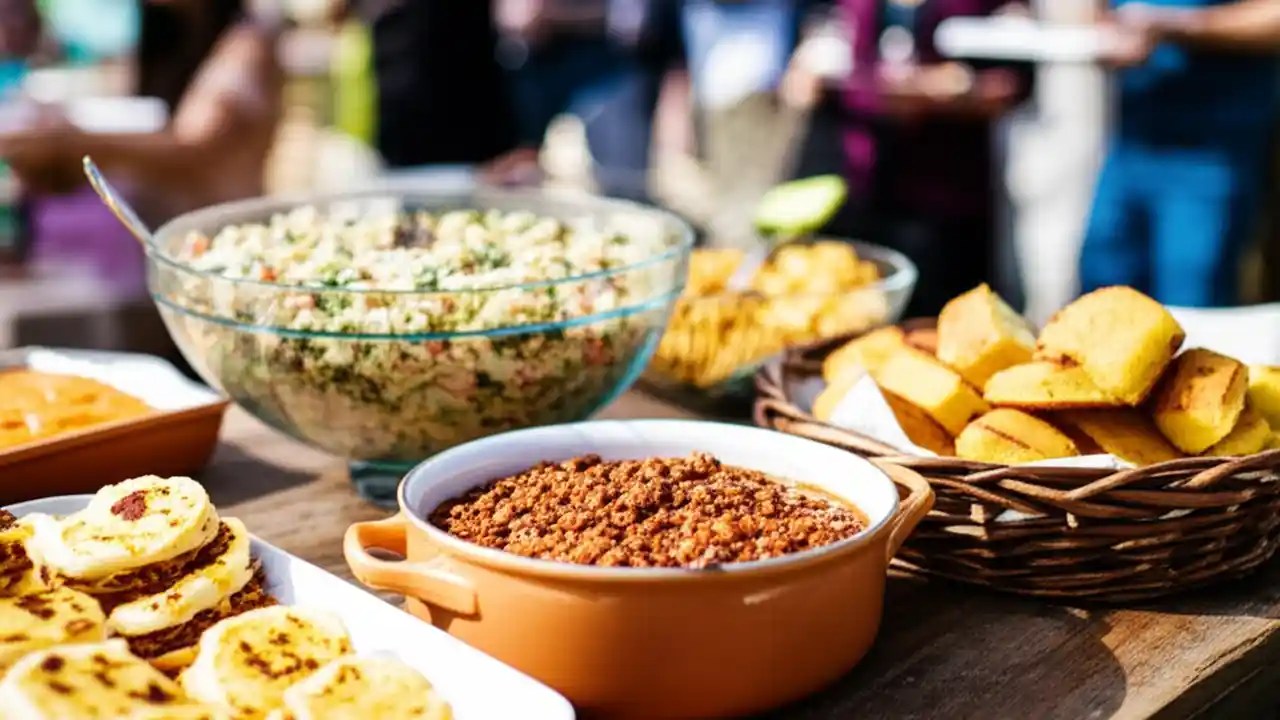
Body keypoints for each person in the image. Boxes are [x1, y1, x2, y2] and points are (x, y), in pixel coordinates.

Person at [828, 0, 1033, 317]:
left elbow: (1013, 81)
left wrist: (960, 93)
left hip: (950, 200)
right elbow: (848, 75)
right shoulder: (860, 8)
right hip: (870, 192)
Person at [1083, 0, 1280, 307]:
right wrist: (1103, 28)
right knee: (1100, 303)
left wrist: (1178, 26)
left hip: (1212, 152)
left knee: (1193, 312)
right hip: (1130, 144)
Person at [493, 0, 681, 200]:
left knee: (619, 193)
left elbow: (634, 21)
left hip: (613, 74)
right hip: (533, 69)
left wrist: (555, 15)